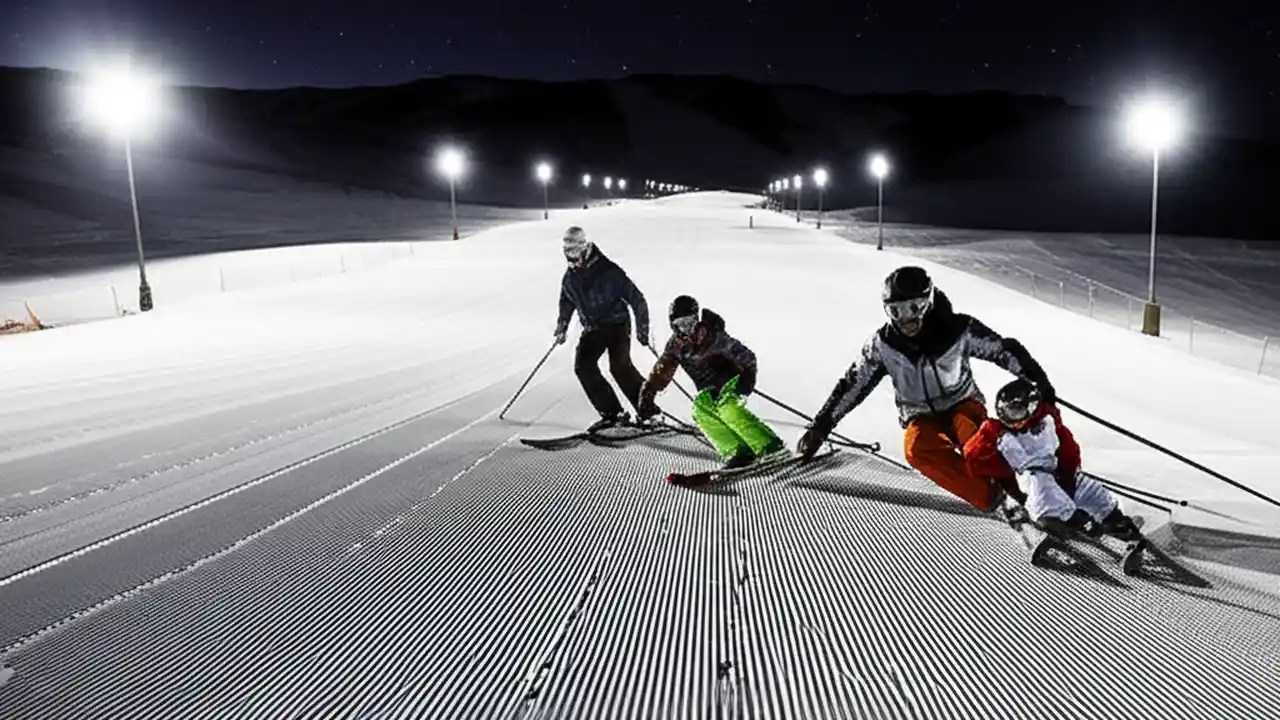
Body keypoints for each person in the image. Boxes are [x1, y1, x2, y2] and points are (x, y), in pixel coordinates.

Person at [797, 266, 1054, 512]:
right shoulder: (884, 345)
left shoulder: (957, 330)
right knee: (916, 448)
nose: (906, 319)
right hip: (919, 414)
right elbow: (853, 384)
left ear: (928, 302)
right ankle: (995, 500)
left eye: (914, 307)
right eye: (896, 311)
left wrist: (1038, 384)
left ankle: (1024, 493)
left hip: (962, 403)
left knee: (970, 434)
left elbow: (1003, 350)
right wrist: (821, 426)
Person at [963, 379, 1142, 539]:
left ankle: (1116, 522)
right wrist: (1005, 468)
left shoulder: (1047, 421)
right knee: (1043, 490)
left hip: (1061, 476)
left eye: (1016, 413)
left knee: (1091, 491)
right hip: (1028, 486)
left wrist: (1068, 476)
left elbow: (1068, 451)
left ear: (1031, 408)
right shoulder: (998, 433)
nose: (1010, 419)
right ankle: (1062, 523)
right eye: (1006, 413)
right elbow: (973, 455)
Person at [638, 295, 786, 469]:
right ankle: (737, 450)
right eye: (681, 324)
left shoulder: (713, 336)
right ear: (673, 326)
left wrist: (747, 377)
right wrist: (649, 391)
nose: (687, 329)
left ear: (697, 319)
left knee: (727, 408)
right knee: (700, 409)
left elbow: (747, 356)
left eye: (690, 322)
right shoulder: (676, 346)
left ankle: (770, 446)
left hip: (733, 379)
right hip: (710, 387)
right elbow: (663, 368)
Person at [554, 226, 651, 431]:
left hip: (617, 324)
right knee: (583, 367)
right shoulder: (570, 278)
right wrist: (562, 326)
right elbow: (566, 301)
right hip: (593, 327)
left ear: (585, 248)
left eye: (574, 254)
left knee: (620, 367)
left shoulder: (609, 271)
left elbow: (637, 299)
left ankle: (649, 412)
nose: (572, 261)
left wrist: (643, 329)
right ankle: (612, 414)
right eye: (567, 255)